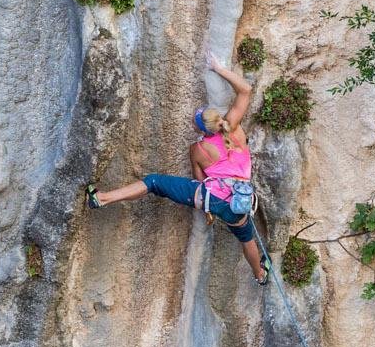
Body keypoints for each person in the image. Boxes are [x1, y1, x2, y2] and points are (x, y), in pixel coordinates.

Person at [87, 56, 268, 284]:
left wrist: (209, 203)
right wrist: (219, 68)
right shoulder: (234, 129)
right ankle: (260, 275)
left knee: (154, 182)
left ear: (200, 128)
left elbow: (198, 180)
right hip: (239, 201)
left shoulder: (198, 149)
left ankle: (102, 198)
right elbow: (245, 90)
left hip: (212, 198)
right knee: (247, 239)